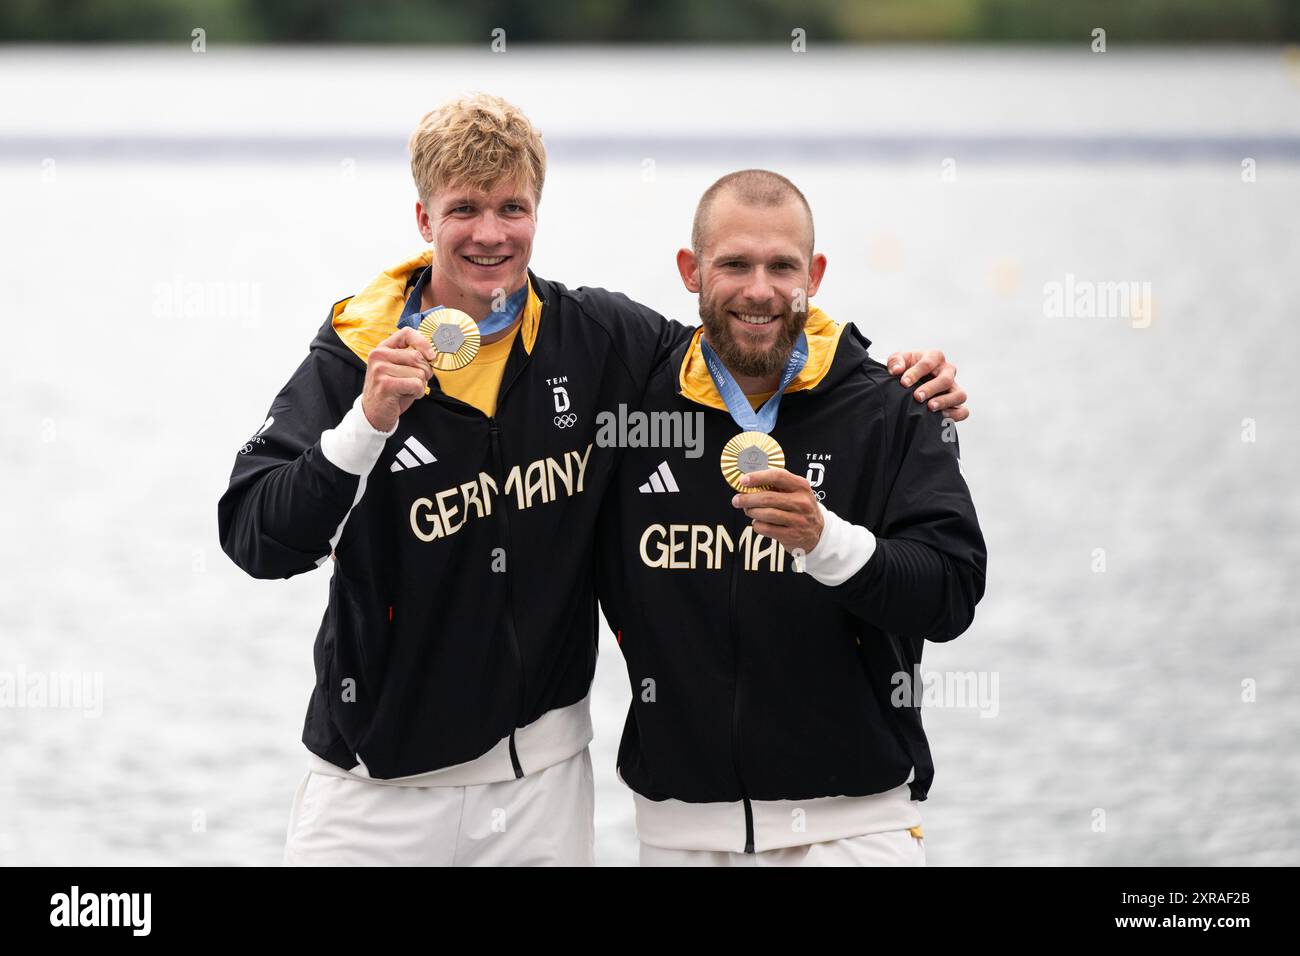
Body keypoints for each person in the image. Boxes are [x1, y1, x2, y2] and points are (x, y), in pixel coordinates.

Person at [217, 93, 971, 866]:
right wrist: (366, 425)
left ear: (537, 214)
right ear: (423, 220)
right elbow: (256, 537)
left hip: (541, 787)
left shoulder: (598, 340)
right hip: (371, 787)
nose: (489, 233)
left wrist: (890, 378)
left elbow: (741, 332)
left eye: (512, 208)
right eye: (463, 209)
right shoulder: (357, 353)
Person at [595, 169, 987, 866]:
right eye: (734, 265)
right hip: (678, 834)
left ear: (816, 274)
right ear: (690, 271)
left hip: (854, 829)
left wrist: (827, 541)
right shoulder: (632, 408)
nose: (759, 290)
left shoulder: (893, 407)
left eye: (783, 267)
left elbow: (951, 594)